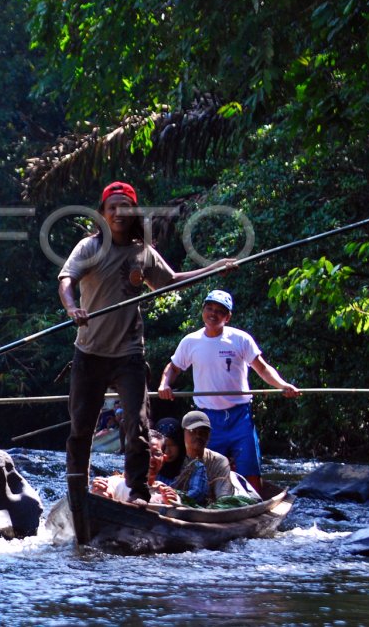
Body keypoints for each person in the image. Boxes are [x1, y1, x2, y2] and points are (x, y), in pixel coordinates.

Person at [57, 181, 230, 537]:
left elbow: (171, 280)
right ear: (103, 214)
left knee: (136, 426)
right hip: (89, 352)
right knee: (80, 429)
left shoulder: (142, 252)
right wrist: (73, 308)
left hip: (129, 354)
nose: (119, 213)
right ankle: (78, 493)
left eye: (125, 207)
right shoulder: (89, 247)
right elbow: (66, 279)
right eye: (112, 207)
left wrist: (214, 268)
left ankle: (138, 493)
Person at [157, 289, 300, 491]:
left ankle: (253, 507)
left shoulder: (240, 339)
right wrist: (165, 385)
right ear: (203, 311)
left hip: (239, 417)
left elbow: (262, 368)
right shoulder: (190, 341)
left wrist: (283, 385)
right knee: (207, 472)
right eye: (209, 309)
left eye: (219, 311)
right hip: (207, 420)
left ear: (228, 316)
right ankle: (212, 509)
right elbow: (173, 368)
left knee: (249, 467)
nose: (213, 314)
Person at [90, 429, 180, 506]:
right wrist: (102, 497)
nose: (150, 458)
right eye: (144, 453)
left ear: (163, 458)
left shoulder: (167, 494)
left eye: (156, 453)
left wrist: (172, 505)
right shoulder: (113, 484)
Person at [169, 410, 234, 506]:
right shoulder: (172, 457)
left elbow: (224, 498)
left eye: (203, 432)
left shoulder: (219, 461)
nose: (198, 435)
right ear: (183, 433)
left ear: (209, 435)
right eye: (192, 431)